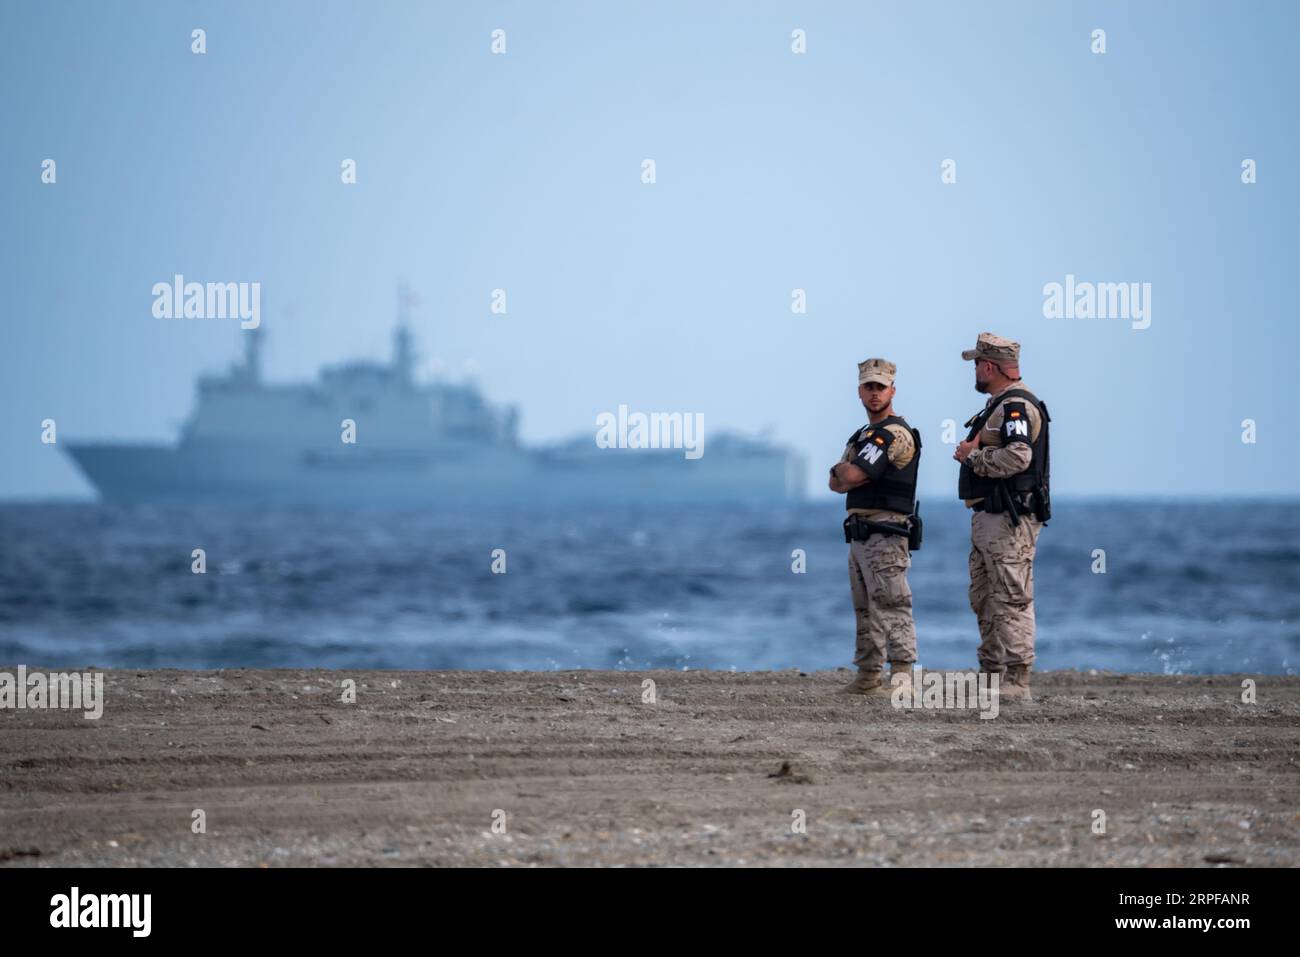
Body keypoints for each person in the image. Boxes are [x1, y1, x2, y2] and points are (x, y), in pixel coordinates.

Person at [952, 333, 1051, 701]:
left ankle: (1016, 679)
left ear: (989, 366)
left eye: (977, 364)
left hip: (1008, 519)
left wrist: (971, 457)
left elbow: (1018, 457)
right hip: (989, 519)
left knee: (1011, 596)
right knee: (985, 596)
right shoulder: (999, 405)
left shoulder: (1015, 408)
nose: (975, 371)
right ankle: (992, 676)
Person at [829, 358, 922, 696]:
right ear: (859, 391)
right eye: (869, 387)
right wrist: (845, 472)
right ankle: (868, 676)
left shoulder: (894, 434)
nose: (874, 393)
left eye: (880, 387)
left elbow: (848, 476)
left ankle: (902, 678)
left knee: (893, 603)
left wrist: (846, 470)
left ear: (892, 390)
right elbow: (834, 483)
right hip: (860, 532)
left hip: (886, 532)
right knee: (865, 607)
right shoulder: (863, 435)